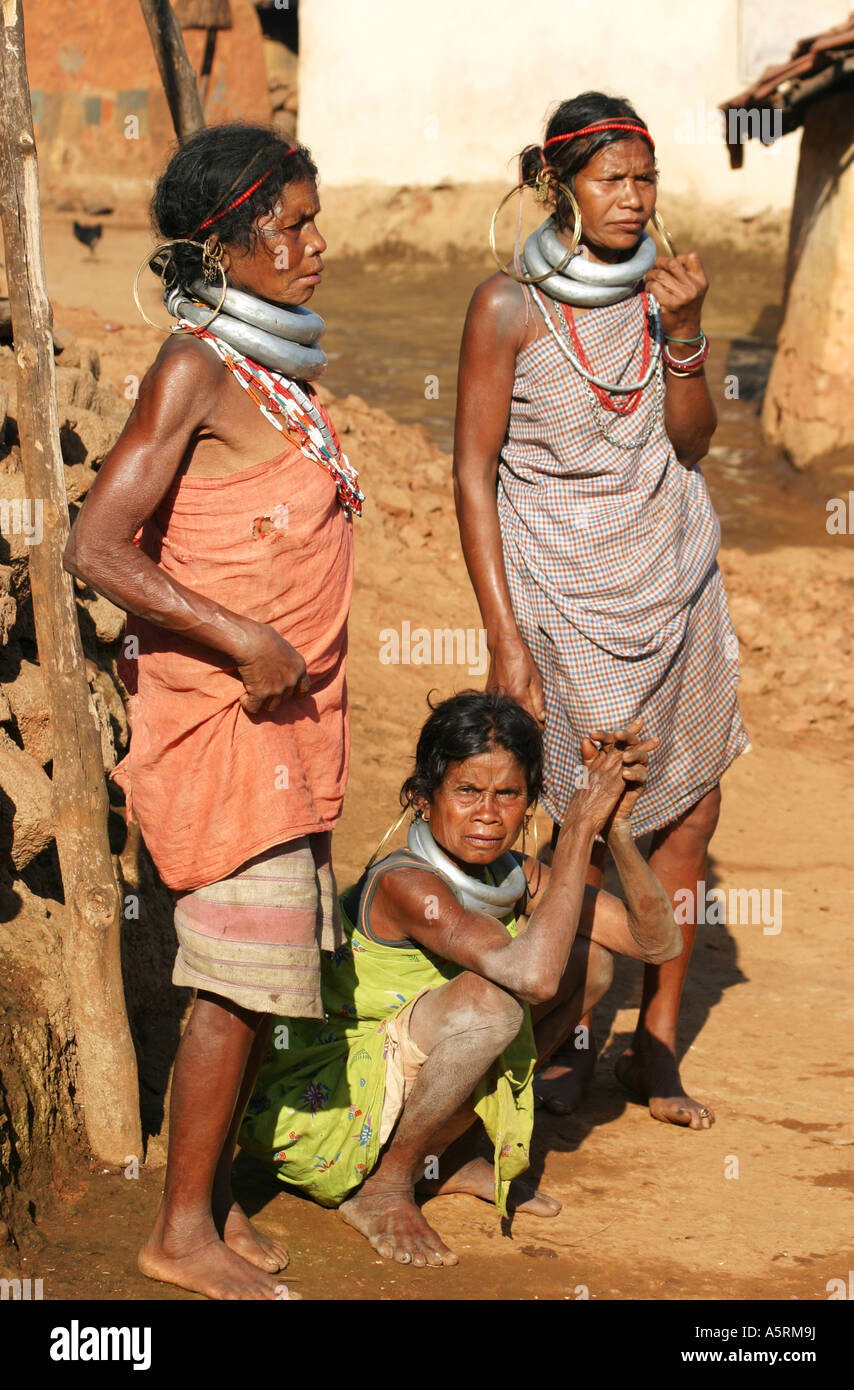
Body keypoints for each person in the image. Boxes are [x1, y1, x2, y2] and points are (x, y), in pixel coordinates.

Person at [63, 123, 362, 1301]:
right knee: (232, 982)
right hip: (225, 721)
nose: (312, 244)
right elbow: (95, 542)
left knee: (256, 975)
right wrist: (239, 634)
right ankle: (176, 1230)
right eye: (286, 227)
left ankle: (211, 1203)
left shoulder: (277, 374)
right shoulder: (194, 369)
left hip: (284, 725)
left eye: (309, 215)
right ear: (220, 248)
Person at [453, 92, 749, 1131]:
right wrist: (501, 631)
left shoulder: (657, 296)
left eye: (644, 179)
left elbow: (694, 441)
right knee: (581, 822)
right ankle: (567, 1037)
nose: (633, 200)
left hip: (676, 573)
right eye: (609, 180)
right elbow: (470, 469)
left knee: (691, 810)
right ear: (557, 187)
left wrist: (685, 334)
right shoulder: (505, 307)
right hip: (562, 597)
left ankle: (653, 1047)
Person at [239, 690, 681, 1268]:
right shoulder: (407, 884)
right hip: (321, 1105)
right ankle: (385, 1184)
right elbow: (533, 979)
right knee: (497, 1001)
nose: (489, 814)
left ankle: (441, 1157)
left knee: (591, 963)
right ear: (424, 799)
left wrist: (615, 831)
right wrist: (575, 832)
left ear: (529, 803)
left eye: (509, 794)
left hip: (397, 1073)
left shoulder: (513, 872)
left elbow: (656, 944)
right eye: (467, 791)